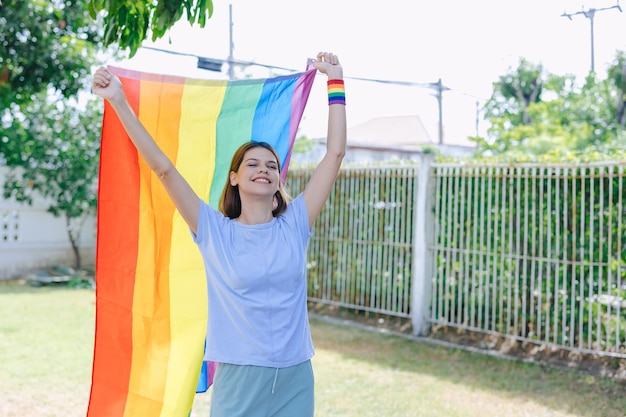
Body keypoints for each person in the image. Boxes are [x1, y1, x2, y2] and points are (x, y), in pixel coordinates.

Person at [91, 51, 346, 417]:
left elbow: (335, 154)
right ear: (234, 177)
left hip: (295, 377)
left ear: (278, 180)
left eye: (272, 165)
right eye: (252, 164)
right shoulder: (213, 230)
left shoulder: (295, 223)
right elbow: (163, 169)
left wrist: (335, 82)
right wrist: (118, 100)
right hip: (240, 379)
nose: (264, 169)